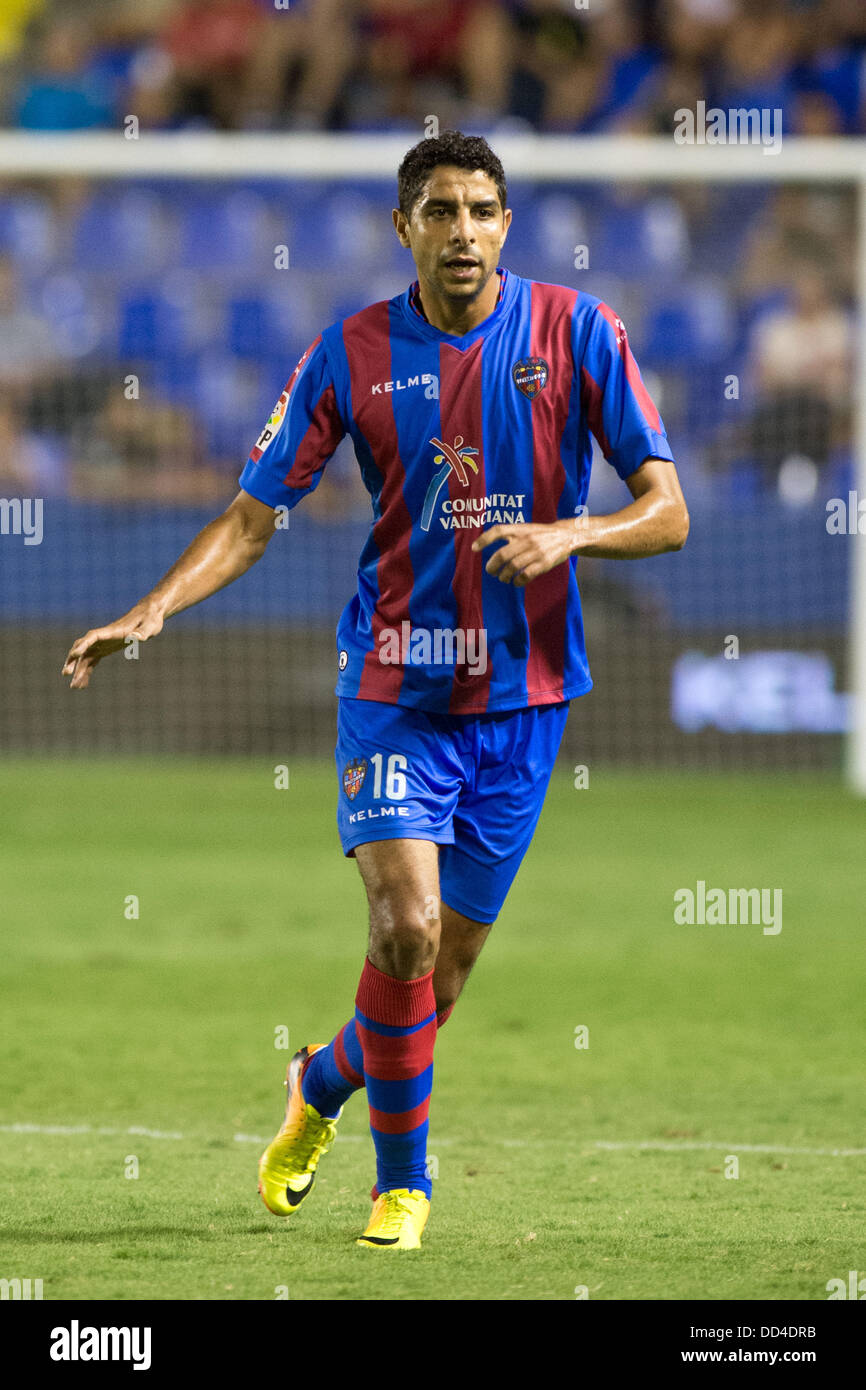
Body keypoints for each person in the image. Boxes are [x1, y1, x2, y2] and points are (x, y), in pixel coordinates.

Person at [62, 131, 688, 1251]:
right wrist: (155, 606)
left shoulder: (577, 333)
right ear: (402, 226)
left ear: (507, 224)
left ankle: (317, 1080)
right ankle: (403, 1189)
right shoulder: (348, 352)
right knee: (400, 928)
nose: (463, 231)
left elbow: (668, 509)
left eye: (483, 210)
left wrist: (571, 534)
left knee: (430, 989)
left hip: (524, 700)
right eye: (439, 210)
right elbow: (254, 515)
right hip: (396, 685)